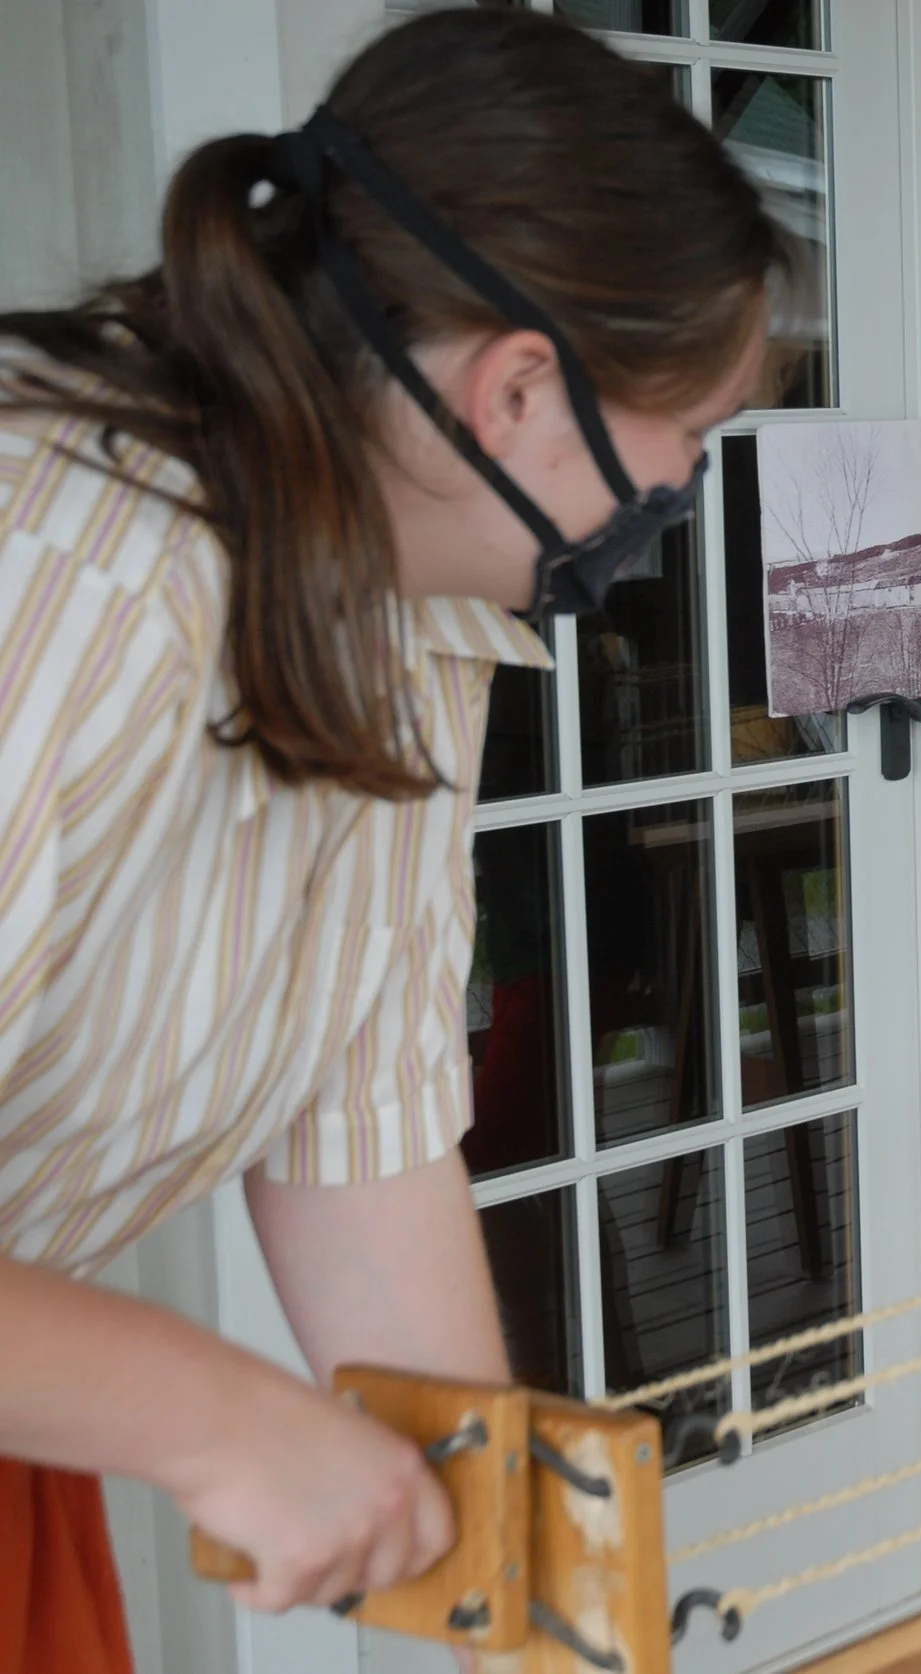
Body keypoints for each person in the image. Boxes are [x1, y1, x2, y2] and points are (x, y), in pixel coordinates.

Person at [0, 10, 781, 1667]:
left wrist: (533, 1608)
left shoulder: (412, 617)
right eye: (694, 437)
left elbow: (359, 1129)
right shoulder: (63, 571)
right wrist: (217, 1415)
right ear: (518, 390)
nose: (684, 487)